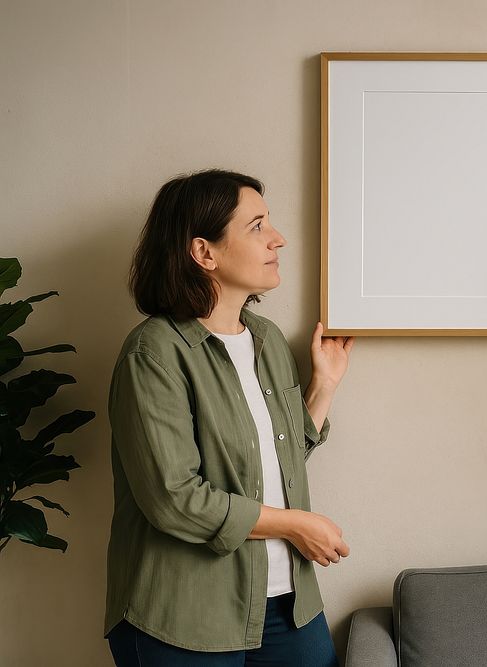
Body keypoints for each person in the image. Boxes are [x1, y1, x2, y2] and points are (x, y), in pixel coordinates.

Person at [105, 169, 353, 666]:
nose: (278, 238)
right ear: (204, 253)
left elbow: (273, 463)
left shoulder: (267, 340)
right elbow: (174, 498)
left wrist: (323, 387)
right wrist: (294, 525)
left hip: (287, 603)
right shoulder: (153, 353)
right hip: (184, 616)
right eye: (257, 226)